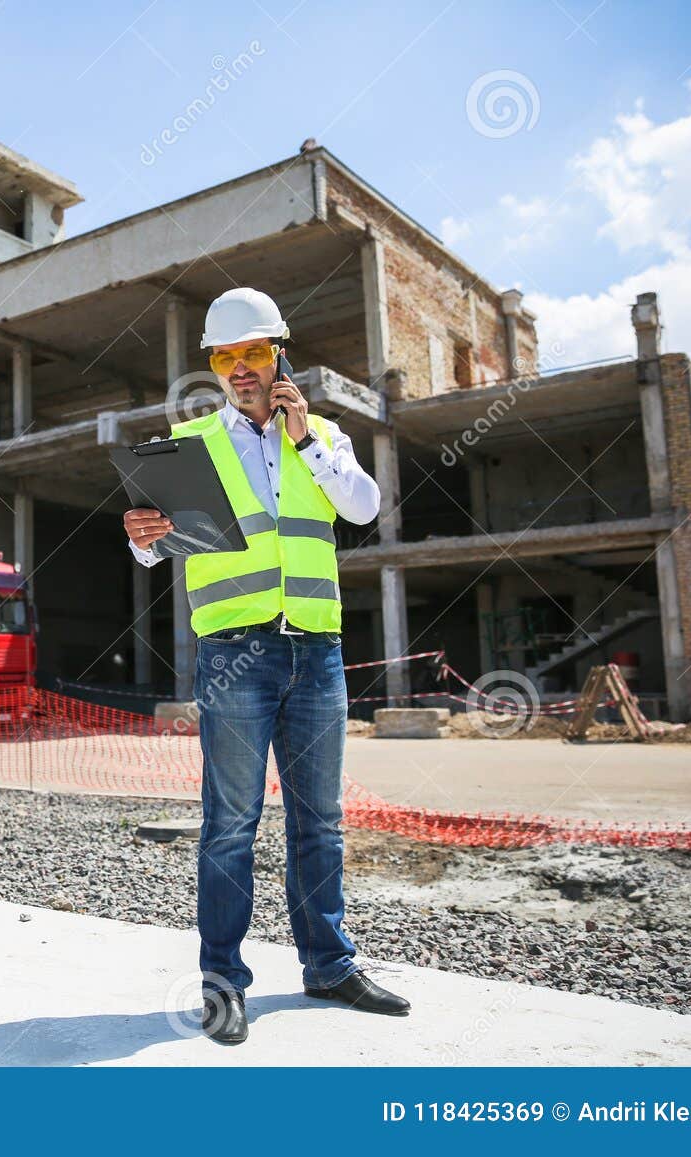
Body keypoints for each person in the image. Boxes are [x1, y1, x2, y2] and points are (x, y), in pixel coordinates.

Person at [123, 287, 409, 1044]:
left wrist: (307, 437)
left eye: (253, 353)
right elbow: (155, 548)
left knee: (321, 822)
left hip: (316, 654)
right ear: (215, 367)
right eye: (226, 357)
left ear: (280, 353)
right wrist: (143, 536)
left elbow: (362, 508)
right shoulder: (189, 444)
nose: (241, 369)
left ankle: (330, 965)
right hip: (233, 659)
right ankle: (222, 984)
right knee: (230, 826)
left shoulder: (322, 437)